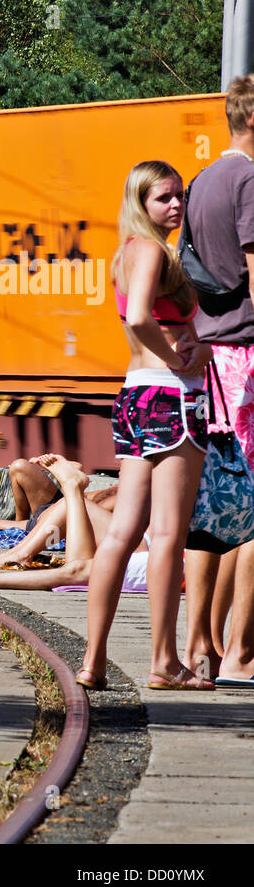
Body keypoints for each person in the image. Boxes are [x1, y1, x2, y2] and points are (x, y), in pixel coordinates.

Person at [80, 160, 212, 692]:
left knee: (119, 533)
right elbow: (140, 317)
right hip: (173, 399)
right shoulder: (154, 251)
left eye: (180, 196)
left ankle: (93, 659)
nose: (176, 206)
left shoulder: (125, 253)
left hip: (134, 397)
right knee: (166, 537)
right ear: (141, 201)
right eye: (164, 198)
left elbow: (135, 319)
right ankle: (164, 661)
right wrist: (180, 357)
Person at [184, 74, 254, 688]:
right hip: (250, 354)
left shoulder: (203, 179)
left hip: (213, 355)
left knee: (219, 507)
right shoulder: (251, 180)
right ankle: (241, 653)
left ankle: (200, 643)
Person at [0, 457, 151, 630]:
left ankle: (0, 561)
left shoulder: (143, 495)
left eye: (130, 460)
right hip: (53, 517)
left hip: (66, 524)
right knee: (23, 474)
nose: (120, 463)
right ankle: (17, 551)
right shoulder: (128, 493)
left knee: (74, 565)